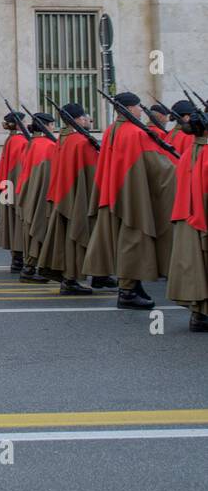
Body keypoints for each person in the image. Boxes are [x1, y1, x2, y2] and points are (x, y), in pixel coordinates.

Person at [83, 93, 177, 309]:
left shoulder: (111, 130)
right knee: (133, 241)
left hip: (114, 192)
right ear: (130, 108)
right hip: (132, 195)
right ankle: (127, 291)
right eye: (137, 107)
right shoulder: (136, 133)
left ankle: (132, 287)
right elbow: (160, 168)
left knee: (125, 241)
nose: (140, 111)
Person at [39, 103, 105, 295]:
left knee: (69, 239)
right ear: (77, 119)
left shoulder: (64, 139)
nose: (88, 120)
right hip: (78, 196)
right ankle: (71, 279)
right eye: (84, 116)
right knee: (78, 238)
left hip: (64, 195)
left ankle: (91, 276)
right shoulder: (80, 141)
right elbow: (93, 173)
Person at [167, 110, 208, 332]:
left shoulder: (190, 151)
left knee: (196, 270)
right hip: (201, 218)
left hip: (187, 218)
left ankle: (199, 315)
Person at [14, 112, 58, 284]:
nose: (53, 128)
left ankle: (30, 267)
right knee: (39, 228)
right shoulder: (47, 145)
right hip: (40, 193)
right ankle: (30, 269)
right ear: (46, 126)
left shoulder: (33, 143)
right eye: (52, 125)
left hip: (28, 191)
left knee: (31, 229)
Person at [0, 111, 30, 275]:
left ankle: (16, 260)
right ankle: (20, 259)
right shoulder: (21, 141)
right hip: (15, 186)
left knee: (11, 222)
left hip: (6, 186)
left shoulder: (10, 139)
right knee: (18, 223)